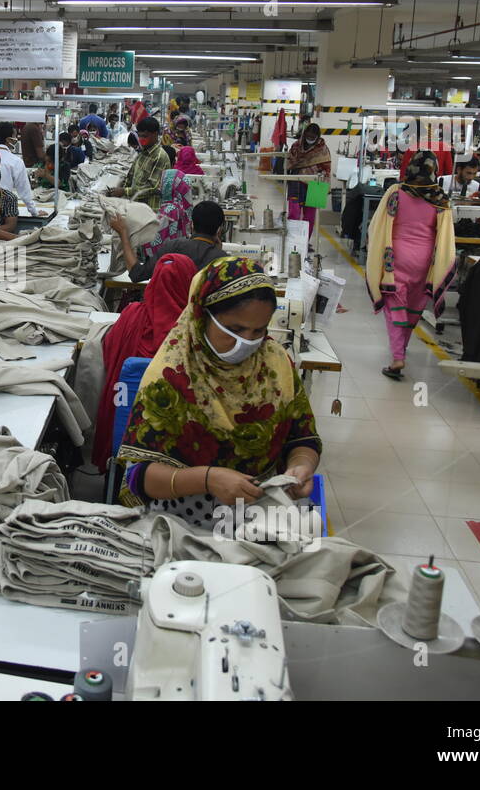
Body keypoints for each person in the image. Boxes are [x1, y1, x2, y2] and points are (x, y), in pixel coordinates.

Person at [116, 257, 322, 528]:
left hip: (262, 518)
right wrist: (208, 479)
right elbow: (138, 476)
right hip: (185, 525)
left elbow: (303, 436)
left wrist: (301, 465)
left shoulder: (276, 364)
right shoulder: (171, 376)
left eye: (258, 330)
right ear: (202, 317)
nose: (247, 341)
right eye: (235, 330)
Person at [91, 253, 199, 467]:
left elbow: (109, 357)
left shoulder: (131, 316)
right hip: (178, 448)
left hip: (125, 433)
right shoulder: (197, 332)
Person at [366, 149, 457, 381]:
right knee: (413, 308)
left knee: (394, 306)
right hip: (425, 260)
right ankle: (401, 351)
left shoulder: (396, 192)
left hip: (394, 256)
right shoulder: (440, 199)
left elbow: (378, 223)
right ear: (434, 170)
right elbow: (446, 235)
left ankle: (398, 357)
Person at [114, 118, 172, 209]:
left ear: (155, 134)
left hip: (149, 209)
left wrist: (124, 191)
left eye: (145, 136)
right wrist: (122, 188)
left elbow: (152, 187)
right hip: (136, 205)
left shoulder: (160, 157)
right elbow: (131, 175)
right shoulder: (142, 153)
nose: (141, 139)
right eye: (140, 136)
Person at [285, 122, 331, 228]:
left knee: (310, 216)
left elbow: (326, 167)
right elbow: (289, 162)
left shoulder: (322, 149)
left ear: (317, 136)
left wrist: (323, 182)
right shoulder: (296, 146)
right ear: (304, 134)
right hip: (296, 182)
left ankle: (305, 242)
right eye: (308, 135)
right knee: (294, 214)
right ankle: (292, 241)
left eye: (313, 136)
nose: (310, 138)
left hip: (315, 184)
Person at [0, 121, 38, 217]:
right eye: (15, 136)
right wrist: (34, 211)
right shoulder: (15, 161)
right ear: (9, 139)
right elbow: (24, 189)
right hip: (4, 207)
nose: (16, 139)